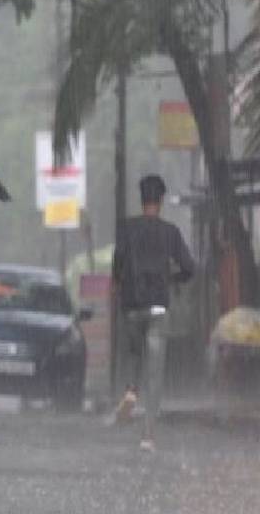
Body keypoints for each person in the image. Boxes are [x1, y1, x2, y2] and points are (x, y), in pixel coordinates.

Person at [110, 174, 195, 452]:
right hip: (158, 307)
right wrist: (172, 278)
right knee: (155, 374)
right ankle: (148, 435)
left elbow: (117, 264)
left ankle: (130, 391)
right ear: (160, 201)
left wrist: (118, 285)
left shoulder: (127, 229)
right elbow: (189, 268)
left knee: (134, 353)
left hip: (133, 306)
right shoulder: (170, 233)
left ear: (142, 200)